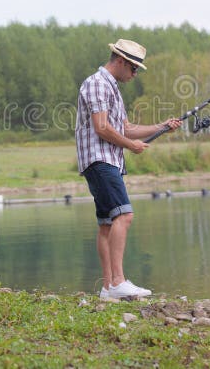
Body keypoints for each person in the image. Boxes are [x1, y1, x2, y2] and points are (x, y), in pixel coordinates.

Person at [76, 39, 181, 300]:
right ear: (121, 61)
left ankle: (109, 287)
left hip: (106, 160)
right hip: (101, 161)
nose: (135, 74)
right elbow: (102, 128)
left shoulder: (112, 88)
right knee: (124, 216)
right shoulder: (98, 83)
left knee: (107, 224)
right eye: (134, 69)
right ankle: (118, 282)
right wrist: (131, 146)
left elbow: (126, 128)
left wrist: (161, 127)